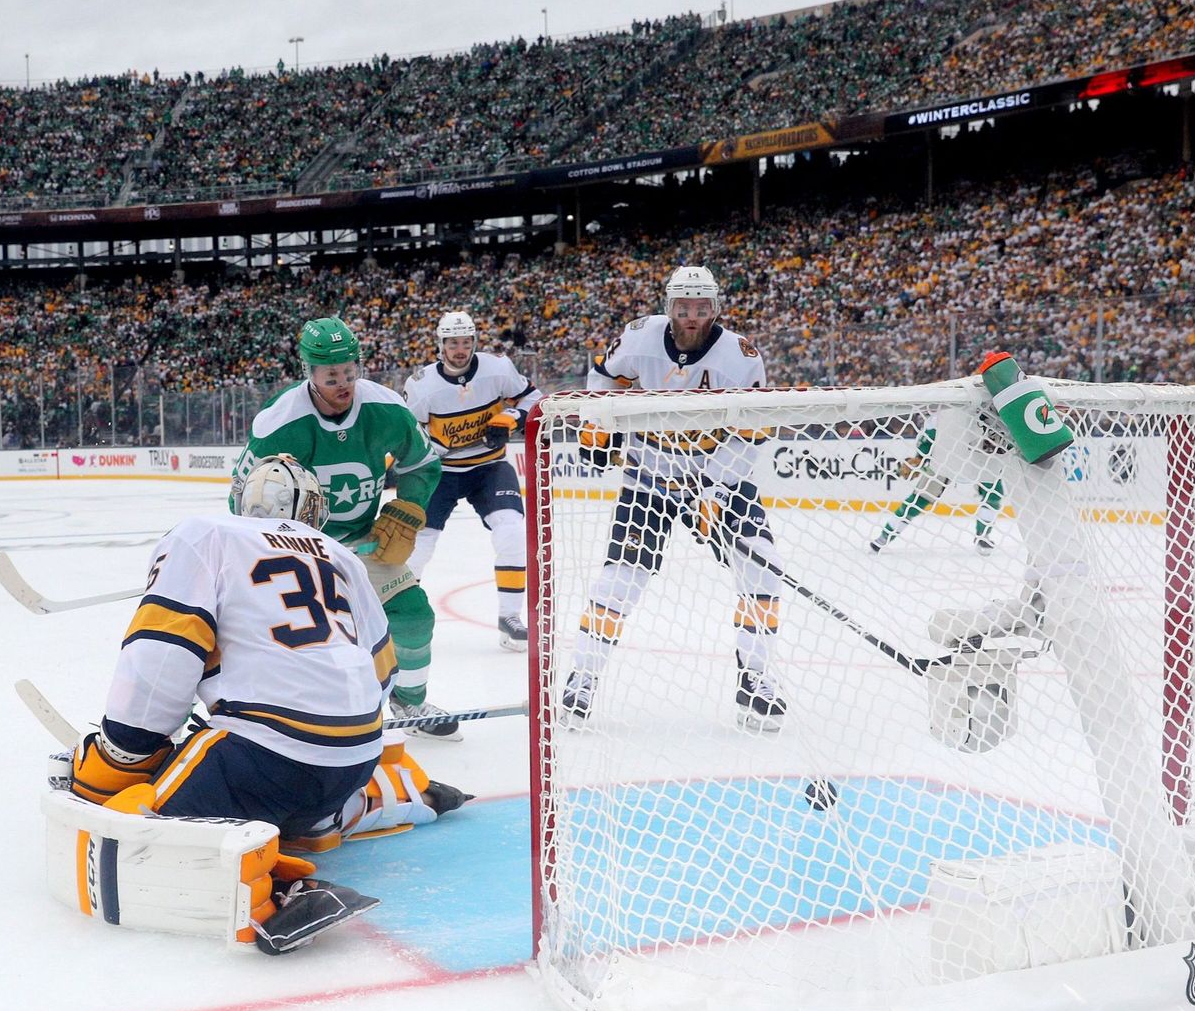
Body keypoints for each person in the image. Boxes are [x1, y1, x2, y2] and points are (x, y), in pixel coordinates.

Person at [65, 455, 466, 953]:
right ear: (313, 511)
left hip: (265, 757)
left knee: (121, 830)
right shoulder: (336, 553)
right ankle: (391, 791)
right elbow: (382, 675)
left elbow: (161, 655)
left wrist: (123, 751)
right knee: (298, 791)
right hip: (353, 758)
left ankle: (274, 890)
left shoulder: (203, 534)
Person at [562, 265, 786, 733]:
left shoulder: (740, 356)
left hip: (717, 476)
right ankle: (582, 678)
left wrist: (715, 488)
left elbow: (756, 433)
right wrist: (599, 425)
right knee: (619, 580)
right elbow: (602, 378)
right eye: (683, 307)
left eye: (701, 308)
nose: (691, 317)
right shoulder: (638, 338)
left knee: (761, 564)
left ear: (715, 308)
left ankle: (755, 680)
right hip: (650, 475)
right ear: (669, 307)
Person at [230, 317, 456, 739]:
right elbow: (242, 497)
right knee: (306, 639)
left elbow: (423, 463)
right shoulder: (280, 422)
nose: (343, 382)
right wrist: (278, 546)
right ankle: (288, 716)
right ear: (309, 372)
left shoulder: (385, 408)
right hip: (296, 547)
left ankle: (408, 700)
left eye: (350, 371)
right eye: (331, 375)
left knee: (413, 616)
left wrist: (407, 506)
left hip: (362, 538)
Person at [403, 310, 541, 651]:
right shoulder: (422, 386)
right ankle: (399, 615)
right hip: (442, 474)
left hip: (489, 468)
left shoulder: (497, 368)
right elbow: (409, 432)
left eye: (465, 342)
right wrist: (428, 448)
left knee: (512, 531)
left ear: (474, 342)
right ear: (441, 345)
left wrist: (509, 419)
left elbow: (534, 398)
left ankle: (509, 618)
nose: (460, 349)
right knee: (419, 547)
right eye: (453, 343)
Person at [871, 412, 1006, 555]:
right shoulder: (940, 417)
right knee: (918, 500)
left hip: (978, 455)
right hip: (945, 459)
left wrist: (920, 458)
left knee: (994, 494)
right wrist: (919, 459)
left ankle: (983, 535)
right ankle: (885, 536)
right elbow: (928, 440)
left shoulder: (981, 409)